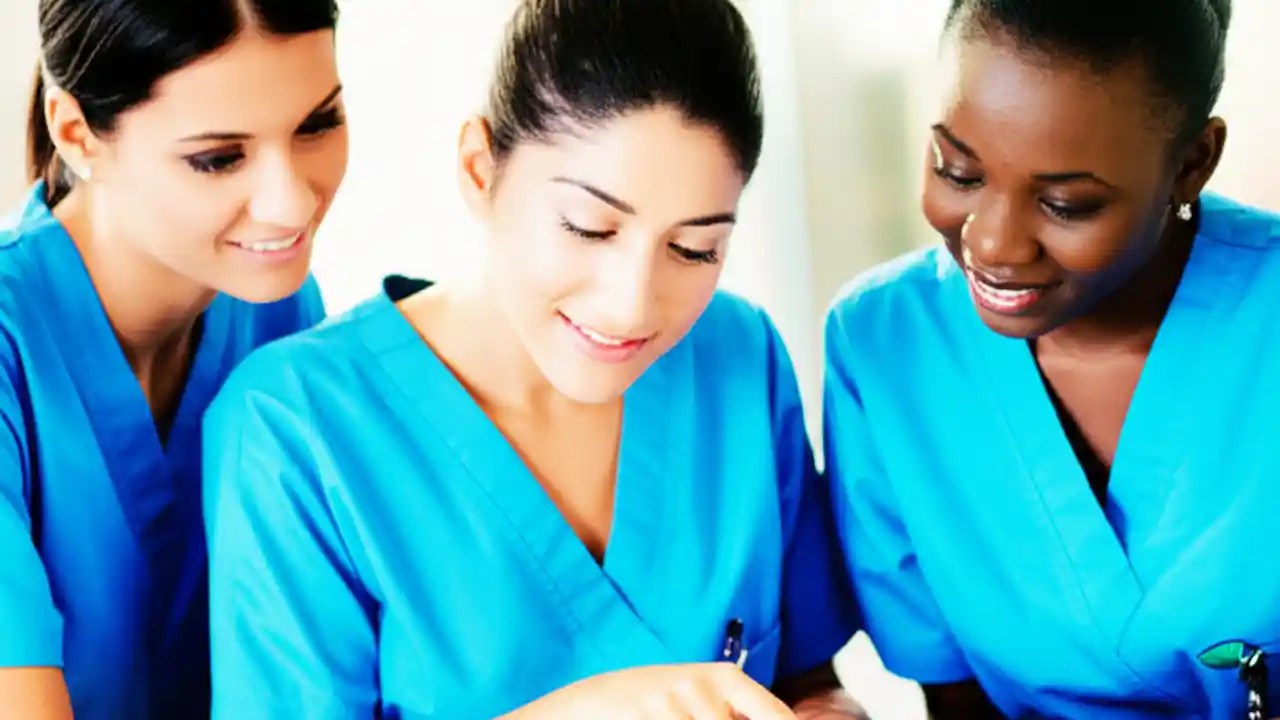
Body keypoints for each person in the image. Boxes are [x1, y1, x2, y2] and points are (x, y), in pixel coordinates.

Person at [203, 0, 863, 718]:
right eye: (588, 228)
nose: (631, 305)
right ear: (479, 169)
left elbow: (808, 680)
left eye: (694, 248)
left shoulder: (737, 354)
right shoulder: (294, 427)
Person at [823, 0, 1280, 718]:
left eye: (1066, 204)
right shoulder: (885, 343)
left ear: (1192, 164)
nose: (993, 244)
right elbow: (951, 697)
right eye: (957, 171)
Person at [0, 0, 347, 717]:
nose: (290, 205)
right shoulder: (14, 342)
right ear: (76, 133)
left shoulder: (279, 311)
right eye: (217, 159)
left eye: (317, 124)